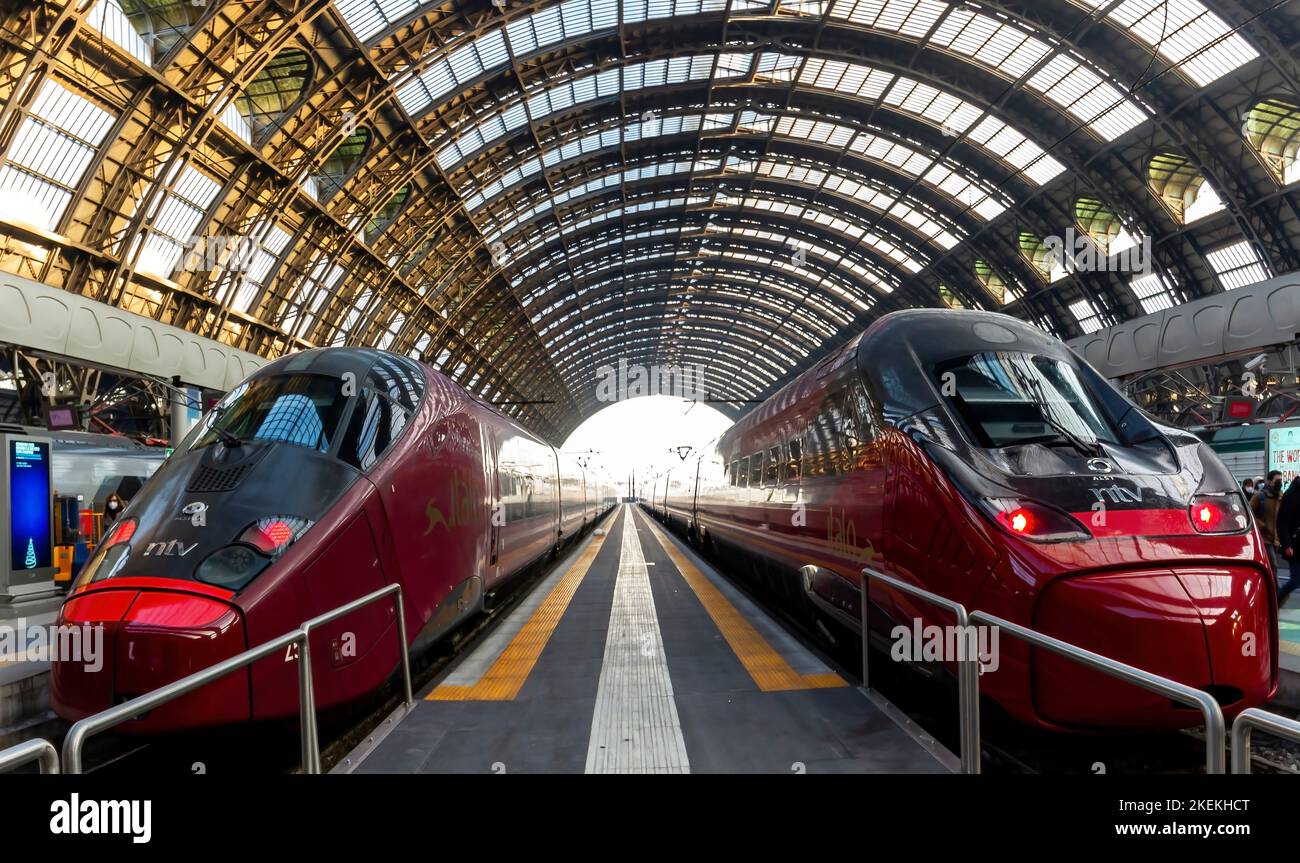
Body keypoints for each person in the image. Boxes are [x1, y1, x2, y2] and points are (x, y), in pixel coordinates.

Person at [1251, 471, 1286, 589]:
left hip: (1275, 538)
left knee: (1269, 566)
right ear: (1270, 482)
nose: (1280, 483)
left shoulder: (1281, 496)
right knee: (1274, 566)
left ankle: (1263, 588)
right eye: (1277, 481)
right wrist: (1261, 525)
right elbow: (1249, 513)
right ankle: (1277, 593)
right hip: (1264, 537)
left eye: (1281, 480)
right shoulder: (1260, 496)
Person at [1273, 476, 1300, 603]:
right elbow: (1282, 522)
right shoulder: (1291, 494)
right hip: (1294, 544)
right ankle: (1276, 602)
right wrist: (1287, 544)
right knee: (1295, 580)